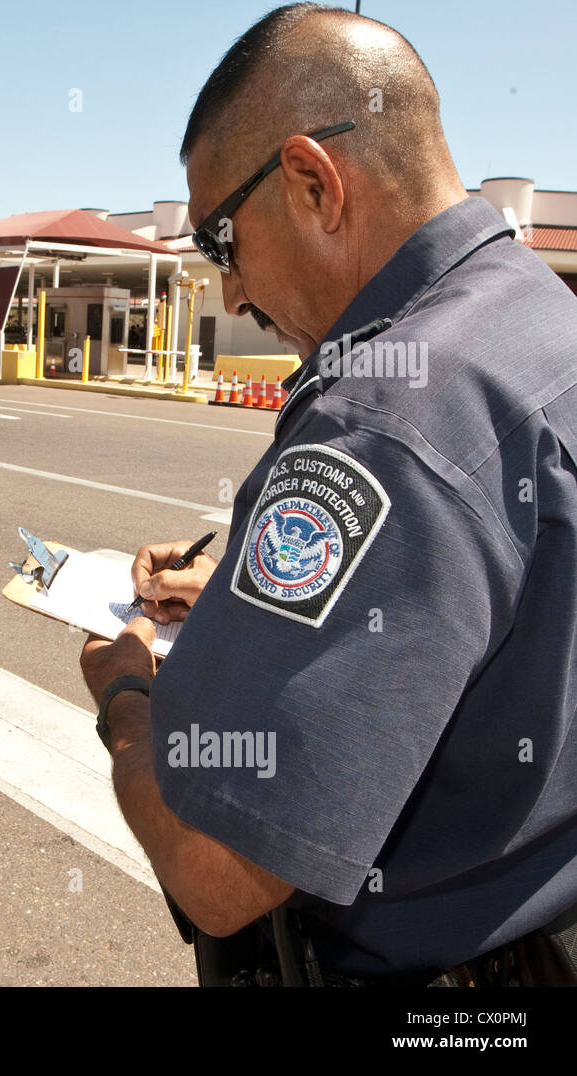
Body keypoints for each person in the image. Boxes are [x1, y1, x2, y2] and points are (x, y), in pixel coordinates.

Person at [80, 3, 577, 986]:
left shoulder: (383, 419)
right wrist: (232, 587)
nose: (227, 293)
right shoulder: (540, 319)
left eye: (220, 241)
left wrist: (126, 694)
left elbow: (218, 874)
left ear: (311, 183)